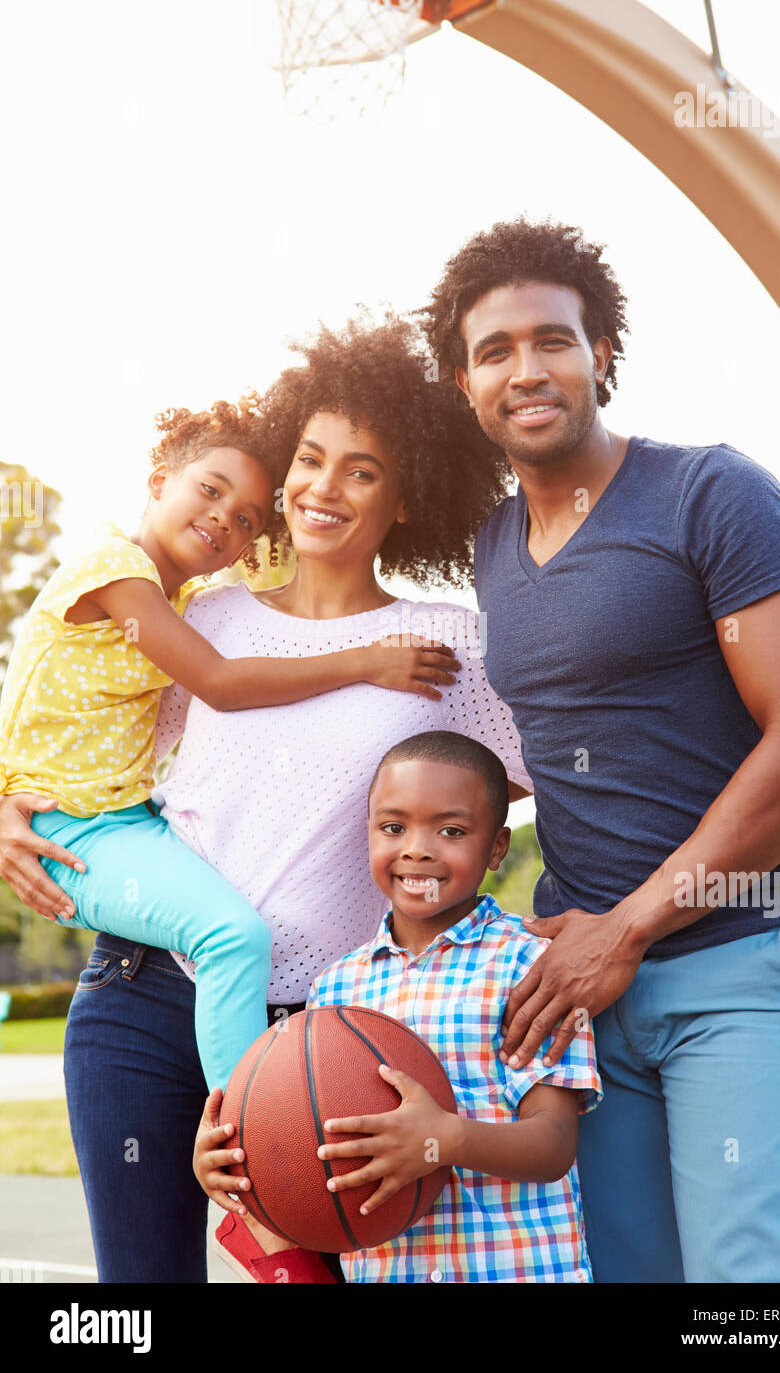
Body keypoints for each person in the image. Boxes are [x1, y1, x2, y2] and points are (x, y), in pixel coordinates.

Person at [0, 315, 530, 1283]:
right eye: (311, 459)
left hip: (329, 1025)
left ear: (407, 492)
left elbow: (560, 781)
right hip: (141, 997)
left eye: (361, 469)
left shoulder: (444, 642)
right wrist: (4, 805)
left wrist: (766, 806)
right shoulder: (204, 611)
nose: (324, 487)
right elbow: (60, 705)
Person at [421, 217, 780, 1283]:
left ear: (600, 352)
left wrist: (625, 928)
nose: (525, 369)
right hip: (584, 1001)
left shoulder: (709, 492)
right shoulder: (486, 550)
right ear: (460, 384)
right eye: (493, 351)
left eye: (551, 339)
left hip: (733, 968)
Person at [0, 396, 459, 1093]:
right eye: (209, 490)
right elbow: (219, 682)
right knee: (231, 937)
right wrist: (367, 660)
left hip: (129, 822)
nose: (224, 518)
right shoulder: (115, 569)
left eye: (247, 517)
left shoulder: (190, 601)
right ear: (159, 480)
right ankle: (247, 1125)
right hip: (75, 832)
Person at [194, 731, 601, 1284]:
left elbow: (553, 1145)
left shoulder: (533, 967)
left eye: (451, 830)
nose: (417, 848)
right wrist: (234, 1169)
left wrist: (443, 1139)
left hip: (515, 1268)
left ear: (498, 847)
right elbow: (307, 1153)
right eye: (393, 827)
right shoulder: (334, 991)